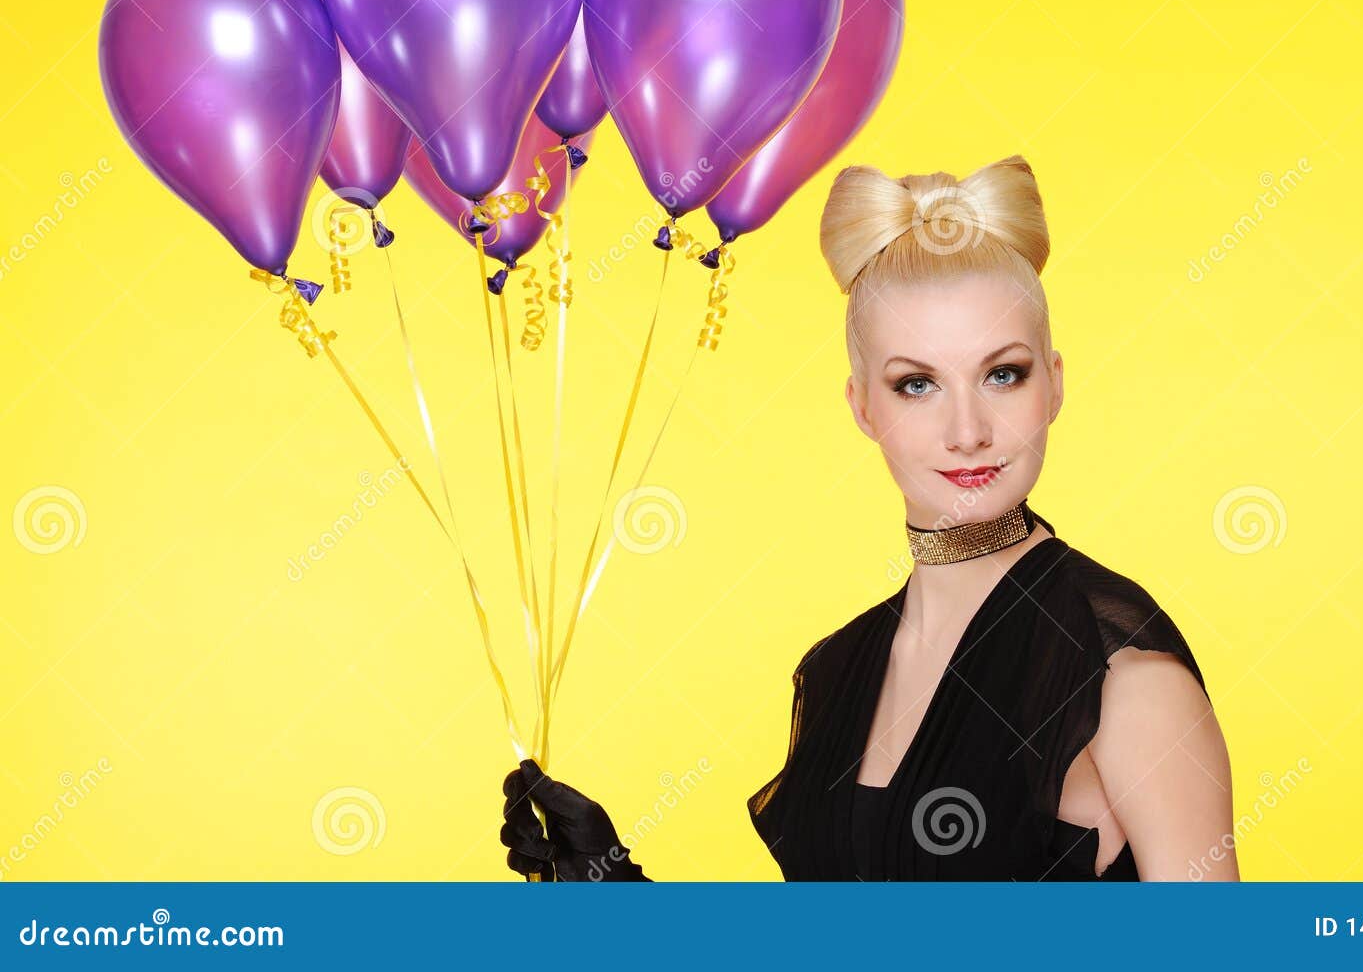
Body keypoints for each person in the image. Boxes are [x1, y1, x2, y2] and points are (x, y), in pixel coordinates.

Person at [502, 154, 1238, 881]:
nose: (968, 429)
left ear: (1054, 384)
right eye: (917, 384)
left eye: (1002, 374)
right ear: (862, 406)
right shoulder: (835, 670)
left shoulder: (1126, 682)